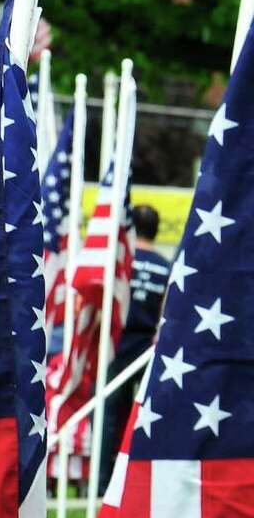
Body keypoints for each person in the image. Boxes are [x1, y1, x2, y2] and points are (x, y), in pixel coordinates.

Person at [101, 203, 170, 484]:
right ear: (156, 229)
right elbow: (166, 313)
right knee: (146, 415)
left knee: (107, 412)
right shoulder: (165, 268)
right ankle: (139, 479)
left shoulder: (121, 262)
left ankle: (102, 479)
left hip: (116, 343)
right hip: (148, 347)